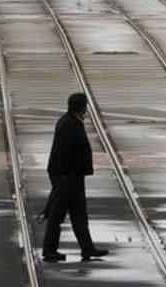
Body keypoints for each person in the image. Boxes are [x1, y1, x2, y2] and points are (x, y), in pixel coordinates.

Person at [41, 93, 109, 262]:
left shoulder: (71, 121)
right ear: (82, 107)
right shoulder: (69, 124)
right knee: (57, 214)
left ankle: (87, 248)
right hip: (67, 176)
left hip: (74, 175)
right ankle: (49, 250)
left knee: (79, 214)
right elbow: (62, 151)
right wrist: (64, 175)